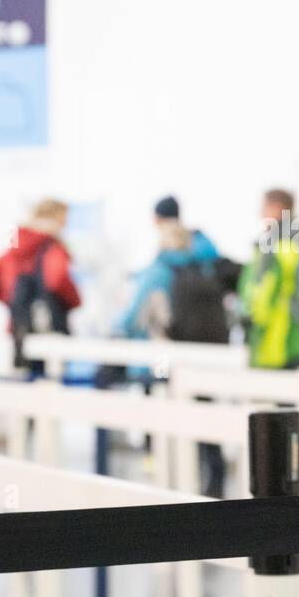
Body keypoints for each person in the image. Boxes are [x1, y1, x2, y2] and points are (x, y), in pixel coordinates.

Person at [115, 196, 236, 497]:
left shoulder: (159, 269)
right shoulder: (208, 261)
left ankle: (168, 481)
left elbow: (130, 320)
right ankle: (213, 478)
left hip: (168, 359)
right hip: (207, 353)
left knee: (167, 421)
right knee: (206, 414)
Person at [0, 198, 82, 371]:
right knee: (51, 383)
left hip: (18, 327)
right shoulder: (52, 246)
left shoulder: (16, 243)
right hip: (49, 329)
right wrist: (75, 300)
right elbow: (57, 279)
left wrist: (11, 300)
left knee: (22, 380)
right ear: (56, 217)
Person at [238, 189, 299, 370]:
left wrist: (248, 321)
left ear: (278, 208)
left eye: (264, 207)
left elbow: (263, 294)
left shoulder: (278, 246)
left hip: (276, 342)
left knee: (276, 394)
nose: (261, 213)